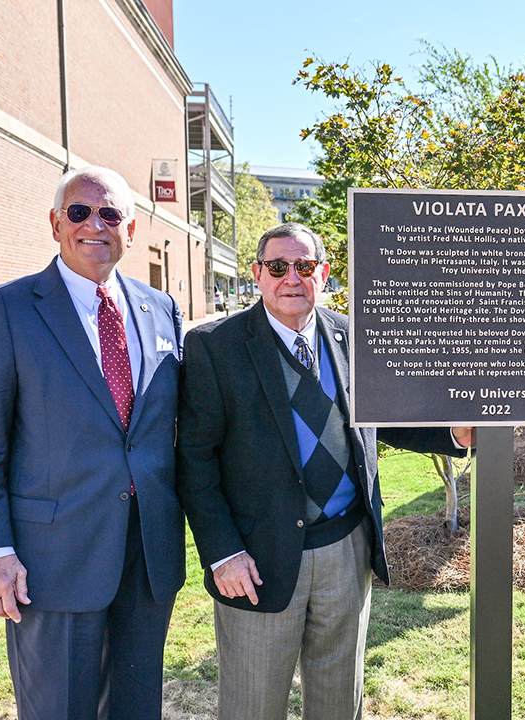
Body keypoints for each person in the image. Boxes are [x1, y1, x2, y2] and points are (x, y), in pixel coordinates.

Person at [175, 222, 473, 720]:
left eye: (304, 266)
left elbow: (386, 420)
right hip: (256, 558)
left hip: (346, 549)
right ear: (257, 274)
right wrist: (223, 552)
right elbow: (195, 460)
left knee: (340, 704)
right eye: (277, 267)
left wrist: (452, 435)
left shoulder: (353, 336)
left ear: (324, 274)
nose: (291, 277)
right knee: (253, 705)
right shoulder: (214, 347)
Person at [0, 166, 185, 719]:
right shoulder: (10, 308)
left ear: (130, 230)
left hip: (146, 556)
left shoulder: (161, 309)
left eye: (110, 214)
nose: (94, 225)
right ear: (56, 223)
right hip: (52, 560)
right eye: (79, 212)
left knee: (136, 708)